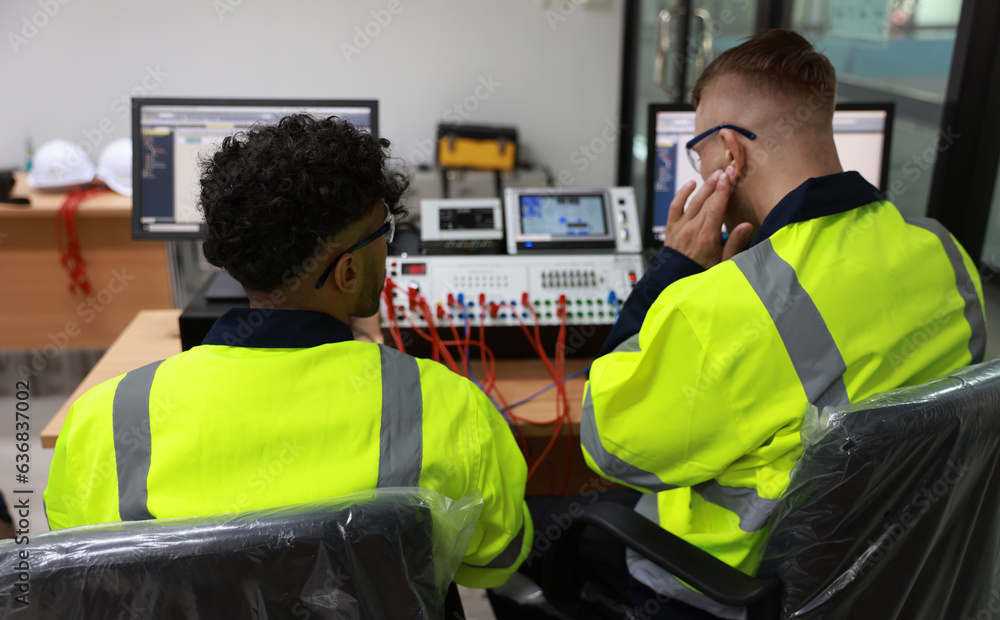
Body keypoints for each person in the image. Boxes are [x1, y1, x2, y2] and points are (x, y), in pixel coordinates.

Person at [508, 29, 986, 619]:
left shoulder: (728, 303)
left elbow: (608, 446)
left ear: (730, 153)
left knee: (523, 529)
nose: (699, 167)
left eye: (698, 152)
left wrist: (673, 275)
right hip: (891, 575)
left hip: (720, 587)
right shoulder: (944, 253)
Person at [44, 114, 533, 589]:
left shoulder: (104, 420)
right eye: (384, 235)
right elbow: (492, 563)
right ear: (347, 272)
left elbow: (79, 570)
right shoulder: (449, 408)